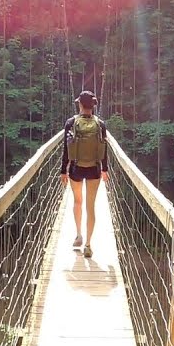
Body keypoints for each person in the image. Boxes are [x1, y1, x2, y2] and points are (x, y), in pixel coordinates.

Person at [60, 90, 109, 258]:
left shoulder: (71, 122)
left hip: (76, 167)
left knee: (77, 201)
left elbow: (66, 149)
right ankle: (88, 245)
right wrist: (105, 169)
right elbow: (104, 148)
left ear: (80, 104)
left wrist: (63, 170)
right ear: (93, 105)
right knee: (90, 206)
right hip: (94, 168)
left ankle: (78, 234)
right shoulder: (100, 124)